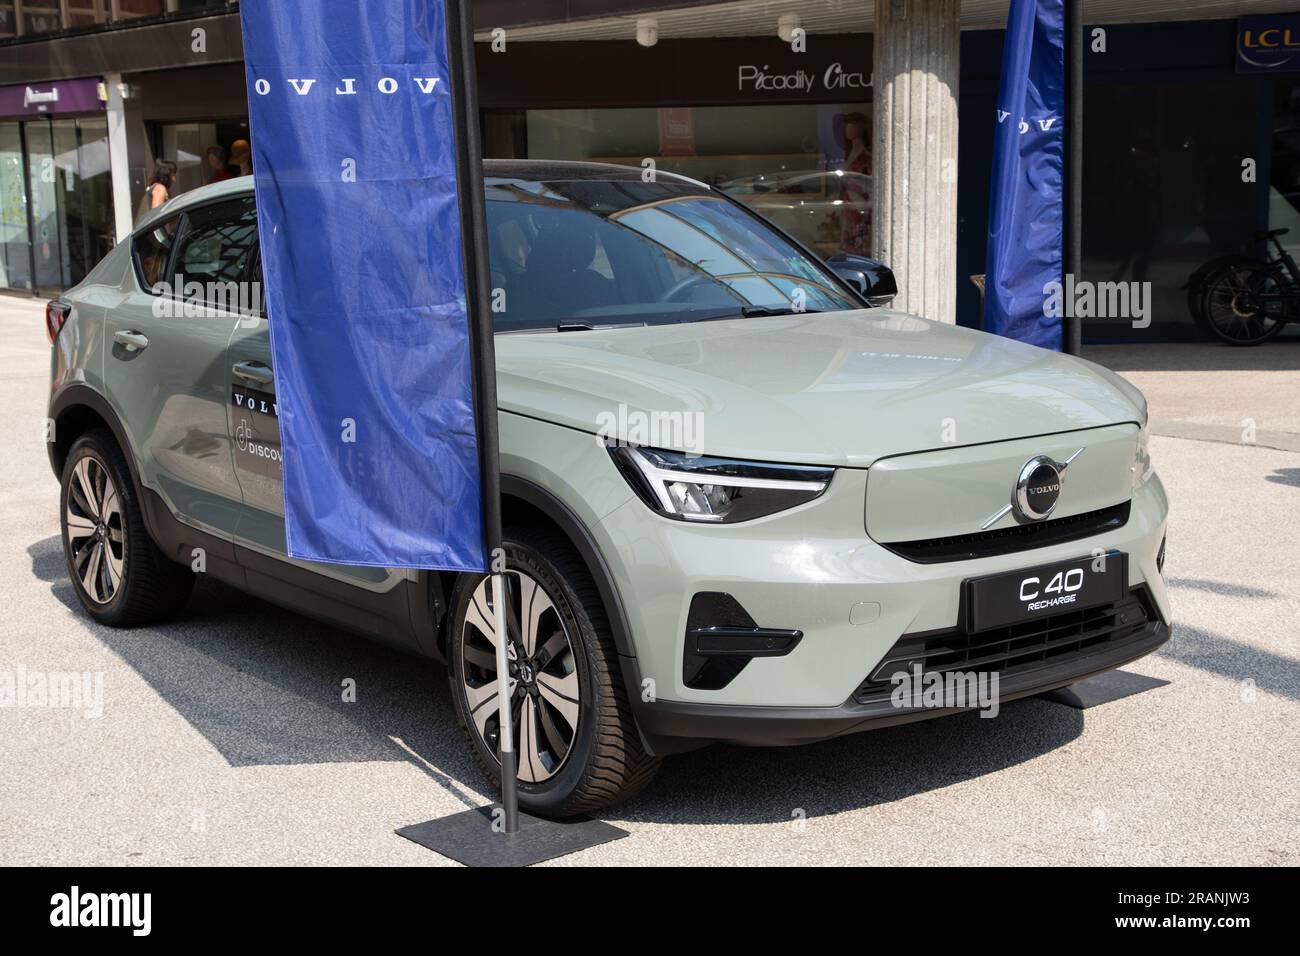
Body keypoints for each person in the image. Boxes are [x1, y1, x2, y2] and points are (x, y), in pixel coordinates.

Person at [837, 112, 873, 257]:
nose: (848, 130)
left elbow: (869, 184)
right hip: (848, 208)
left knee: (859, 245)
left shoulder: (867, 157)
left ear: (861, 129)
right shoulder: (847, 154)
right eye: (847, 127)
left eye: (852, 126)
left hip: (860, 207)